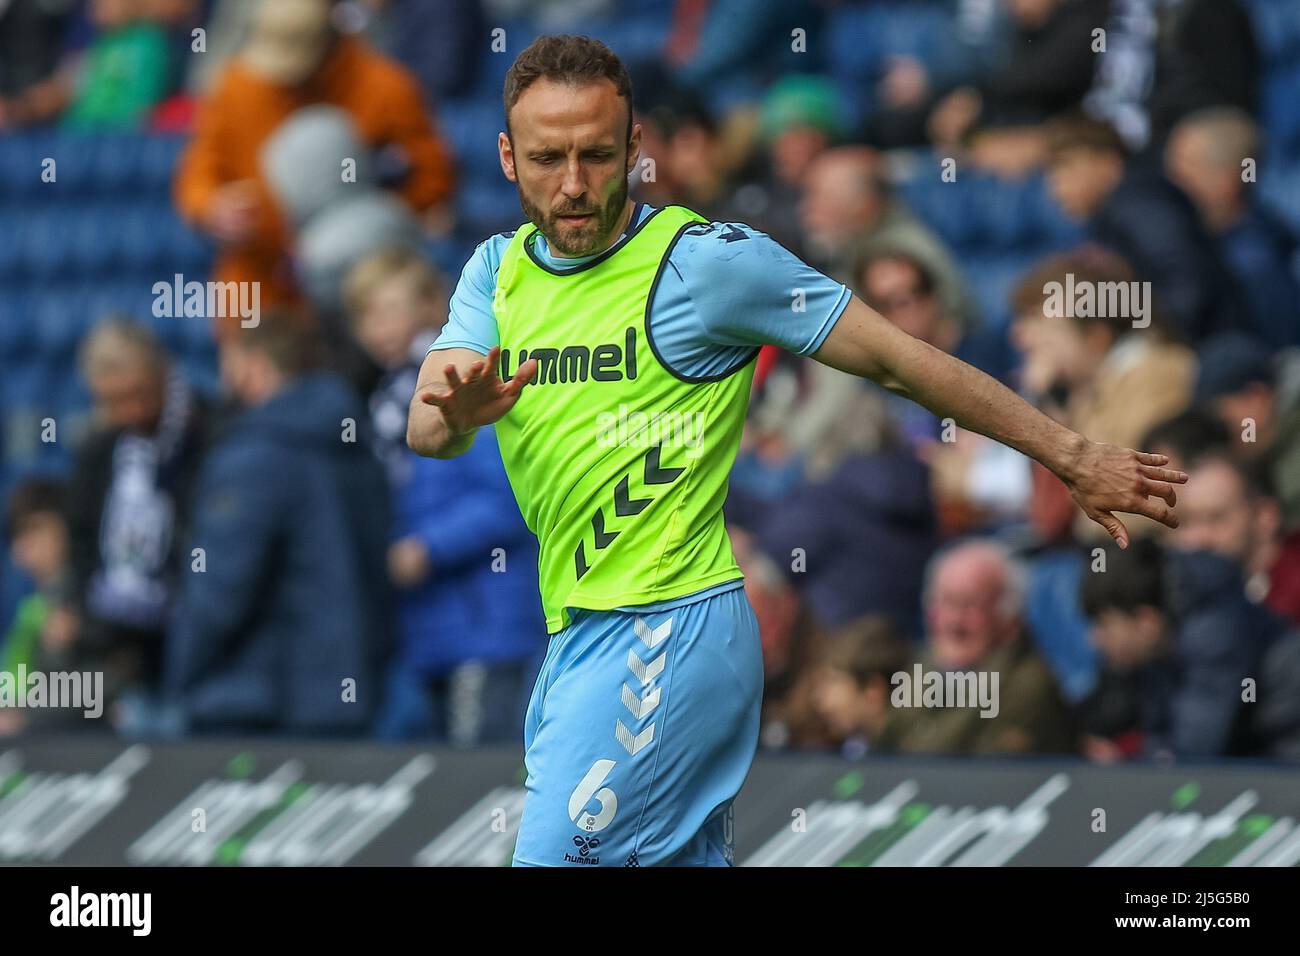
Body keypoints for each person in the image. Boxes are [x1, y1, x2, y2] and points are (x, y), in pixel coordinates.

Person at [407, 35, 1186, 868]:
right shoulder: (494, 273)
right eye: (546, 157)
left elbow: (898, 358)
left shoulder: (702, 264)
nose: (572, 183)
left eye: (598, 154)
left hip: (670, 626)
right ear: (504, 156)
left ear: (637, 148)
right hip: (574, 633)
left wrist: (1068, 452)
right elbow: (429, 425)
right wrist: (460, 415)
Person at [343, 248, 546, 743]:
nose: (378, 328)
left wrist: (427, 548)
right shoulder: (384, 397)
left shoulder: (461, 382)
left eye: (391, 310)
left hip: (486, 621)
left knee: (482, 763)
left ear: (435, 306)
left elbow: (507, 501)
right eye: (365, 314)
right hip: (428, 623)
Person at [167, 312, 392, 736]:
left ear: (253, 363)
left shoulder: (252, 455)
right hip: (349, 696)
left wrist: (179, 673)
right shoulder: (357, 445)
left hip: (253, 704)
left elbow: (220, 590)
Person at [173, 0, 455, 332]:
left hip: (361, 289)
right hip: (262, 284)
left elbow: (432, 176)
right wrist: (211, 207)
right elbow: (198, 172)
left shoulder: (385, 87)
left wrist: (382, 215)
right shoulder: (237, 88)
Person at [68, 318, 213, 734]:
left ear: (161, 374)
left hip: (191, 643)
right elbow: (80, 536)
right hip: (125, 649)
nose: (128, 412)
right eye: (112, 401)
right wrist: (83, 610)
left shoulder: (205, 432)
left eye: (136, 395)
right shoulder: (100, 449)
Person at [1080, 538, 1284, 759]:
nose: (1094, 640)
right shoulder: (1159, 645)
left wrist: (1126, 760)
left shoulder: (1214, 637)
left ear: (1147, 624)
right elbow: (1159, 734)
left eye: (1104, 625)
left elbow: (1192, 755)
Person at [874, 540, 1078, 755]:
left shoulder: (1028, 688)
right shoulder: (921, 669)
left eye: (969, 605)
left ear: (1008, 618)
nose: (954, 621)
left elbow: (978, 775)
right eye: (945, 601)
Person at [1164, 107, 1300, 349]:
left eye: (1186, 166)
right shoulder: (1199, 241)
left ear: (1227, 180)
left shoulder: (1256, 265)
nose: (1171, 178)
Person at [0, 480, 80, 736]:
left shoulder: (86, 597)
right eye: (19, 534)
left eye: (35, 530)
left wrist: (26, 715)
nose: (24, 547)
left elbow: (105, 686)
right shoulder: (30, 601)